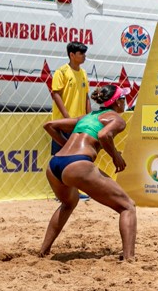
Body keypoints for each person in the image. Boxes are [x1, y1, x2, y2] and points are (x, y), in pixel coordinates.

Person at [40, 83, 137, 261]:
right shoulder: (117, 118)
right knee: (127, 206)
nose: (125, 102)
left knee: (68, 203)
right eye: (123, 98)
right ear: (117, 102)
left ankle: (43, 251)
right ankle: (129, 258)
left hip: (55, 164)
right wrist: (116, 157)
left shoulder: (86, 118)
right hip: (77, 165)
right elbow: (103, 136)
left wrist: (66, 147)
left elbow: (49, 125)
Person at [47, 41, 89, 154]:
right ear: (72, 55)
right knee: (61, 154)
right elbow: (56, 94)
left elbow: (86, 96)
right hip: (63, 123)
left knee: (77, 155)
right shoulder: (62, 72)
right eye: (81, 53)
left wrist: (89, 117)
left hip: (79, 122)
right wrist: (67, 117)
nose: (85, 56)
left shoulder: (83, 73)